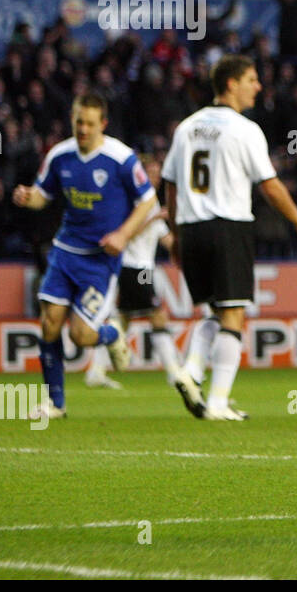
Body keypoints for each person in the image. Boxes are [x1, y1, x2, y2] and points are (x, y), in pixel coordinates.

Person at [161, 54, 297, 420]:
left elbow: (168, 184)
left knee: (215, 311)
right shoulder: (244, 129)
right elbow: (271, 186)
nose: (258, 86)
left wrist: (174, 233)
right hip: (227, 227)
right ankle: (214, 399)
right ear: (230, 84)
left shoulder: (186, 127)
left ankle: (191, 373)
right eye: (251, 79)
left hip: (191, 228)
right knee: (234, 315)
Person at [11, 93, 159, 419]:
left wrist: (123, 234)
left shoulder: (121, 159)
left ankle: (111, 334)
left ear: (102, 124)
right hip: (65, 252)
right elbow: (42, 196)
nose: (83, 129)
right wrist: (27, 197)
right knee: (49, 324)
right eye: (79, 122)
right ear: (73, 120)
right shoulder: (60, 156)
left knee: (80, 335)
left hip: (99, 261)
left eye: (90, 124)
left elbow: (148, 200)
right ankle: (55, 403)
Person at [86, 154, 205, 410]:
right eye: (149, 172)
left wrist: (190, 248)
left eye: (157, 173)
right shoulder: (134, 201)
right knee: (157, 315)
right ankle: (174, 372)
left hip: (139, 267)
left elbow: (167, 240)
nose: (154, 177)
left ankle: (96, 370)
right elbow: (124, 235)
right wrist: (153, 217)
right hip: (133, 266)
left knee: (123, 319)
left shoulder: (151, 203)